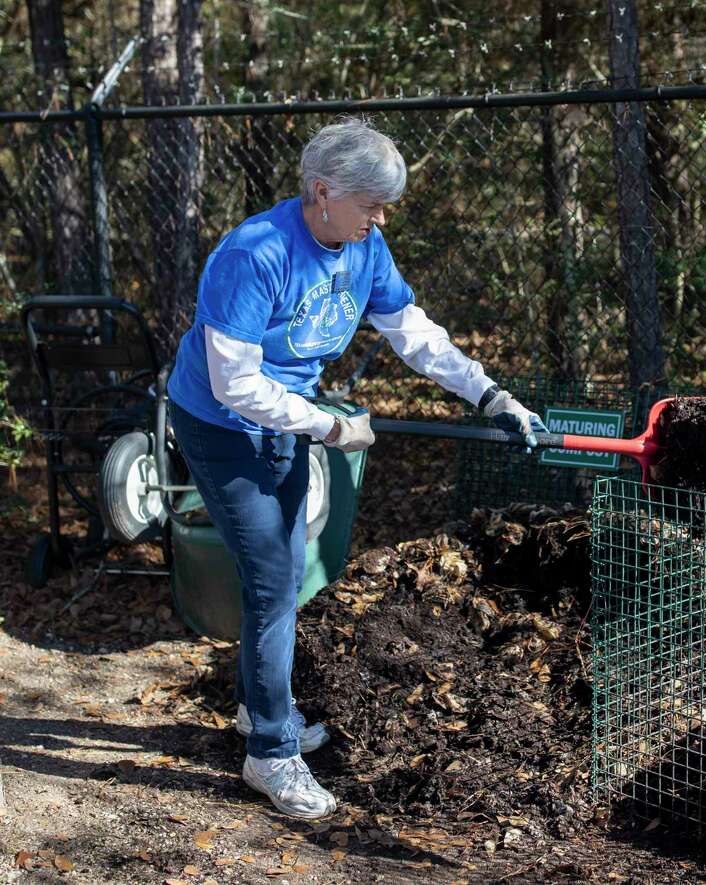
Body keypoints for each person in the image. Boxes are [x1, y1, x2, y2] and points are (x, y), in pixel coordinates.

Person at [166, 117, 546, 820]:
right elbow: (234, 386)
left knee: (276, 567)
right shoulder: (254, 254)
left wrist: (489, 393)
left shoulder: (362, 247)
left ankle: (258, 711)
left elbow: (414, 334)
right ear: (322, 192)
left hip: (289, 415)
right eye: (371, 203)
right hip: (220, 425)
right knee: (276, 573)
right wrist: (331, 425)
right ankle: (272, 753)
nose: (381, 217)